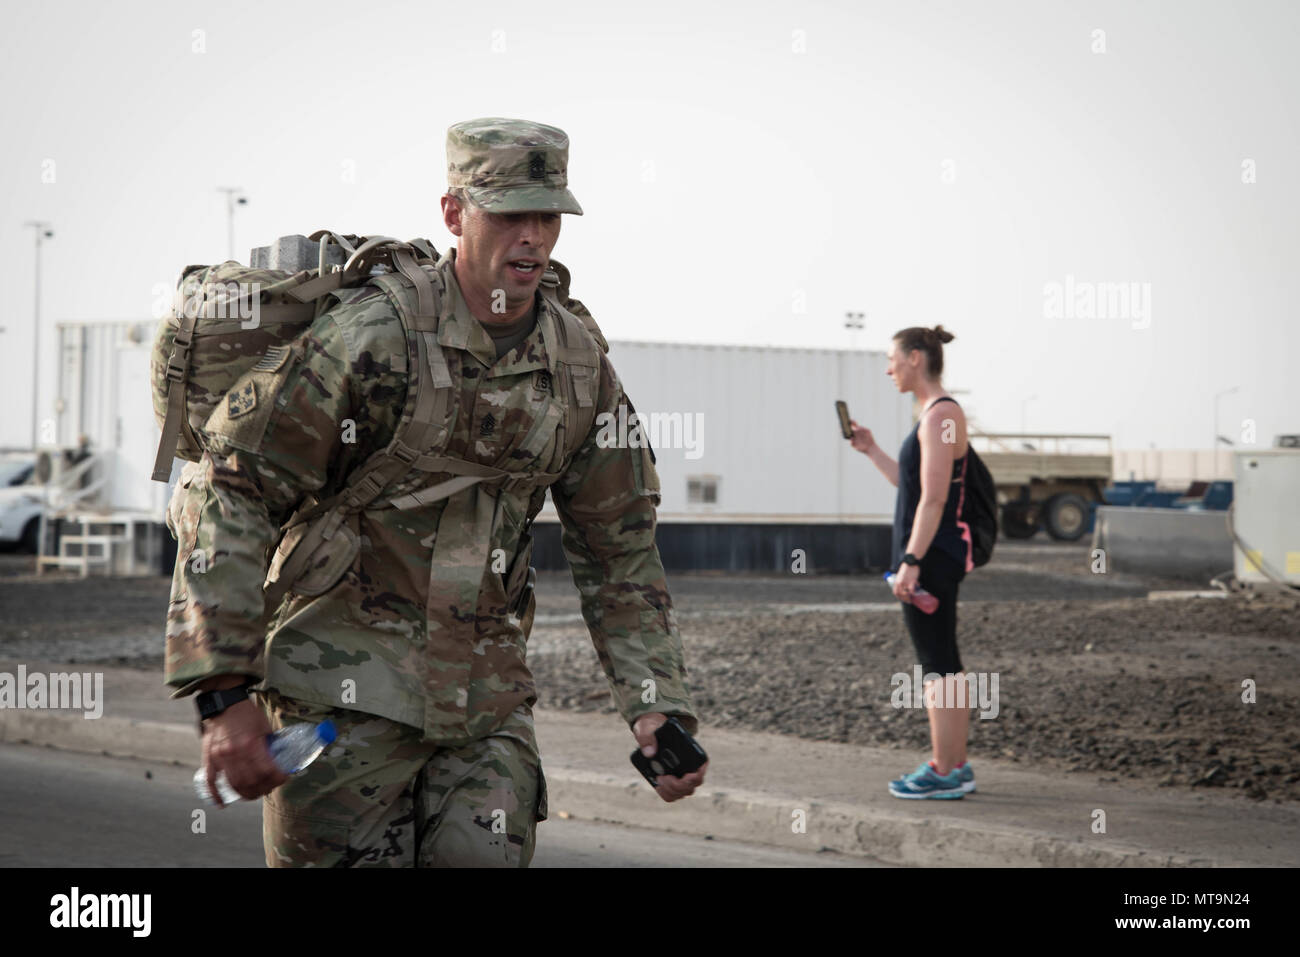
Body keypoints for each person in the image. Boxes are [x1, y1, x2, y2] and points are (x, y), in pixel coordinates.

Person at [164, 117, 705, 866]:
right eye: (508, 213)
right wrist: (222, 692)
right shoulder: (371, 336)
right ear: (453, 214)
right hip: (338, 704)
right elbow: (234, 487)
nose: (531, 236)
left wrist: (655, 707)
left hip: (488, 712)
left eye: (546, 215)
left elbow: (620, 549)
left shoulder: (578, 367)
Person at [849, 325, 975, 799]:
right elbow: (916, 489)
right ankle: (955, 764)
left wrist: (911, 560)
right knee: (943, 660)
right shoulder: (934, 413)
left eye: (893, 359)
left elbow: (936, 498)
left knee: (937, 663)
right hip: (933, 556)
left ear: (917, 358)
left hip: (933, 558)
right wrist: (872, 450)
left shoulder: (941, 414)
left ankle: (945, 770)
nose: (889, 369)